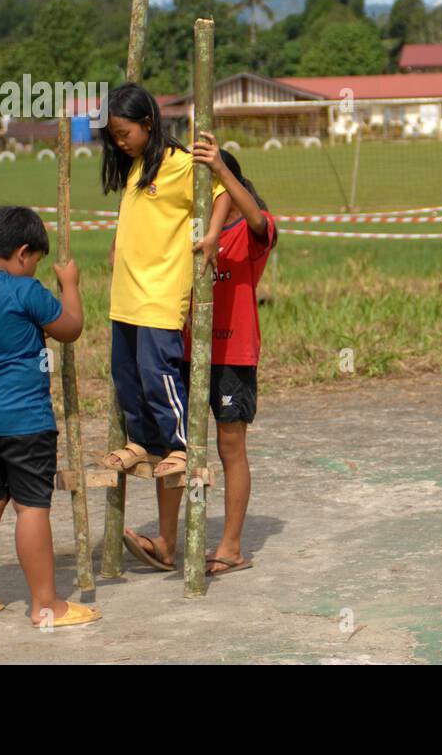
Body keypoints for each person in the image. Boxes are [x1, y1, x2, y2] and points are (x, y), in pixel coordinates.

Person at [96, 82, 229, 572]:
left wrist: (212, 236)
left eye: (124, 132)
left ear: (148, 124)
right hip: (124, 297)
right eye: (112, 135)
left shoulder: (177, 165)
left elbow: (221, 194)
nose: (118, 141)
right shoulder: (135, 167)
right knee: (126, 376)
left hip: (158, 297)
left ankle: (178, 445)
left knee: (159, 376)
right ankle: (143, 442)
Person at [0, 205, 100, 627]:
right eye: (36, 262)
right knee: (32, 508)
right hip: (25, 421)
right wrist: (69, 285)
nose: (35, 270)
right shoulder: (24, 291)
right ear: (22, 252)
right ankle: (46, 605)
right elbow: (69, 327)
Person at [180, 134, 277, 577]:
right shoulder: (193, 234)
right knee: (180, 447)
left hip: (231, 353)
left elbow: (257, 219)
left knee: (230, 447)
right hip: (184, 349)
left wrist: (219, 167)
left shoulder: (251, 230)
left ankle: (231, 546)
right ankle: (170, 539)